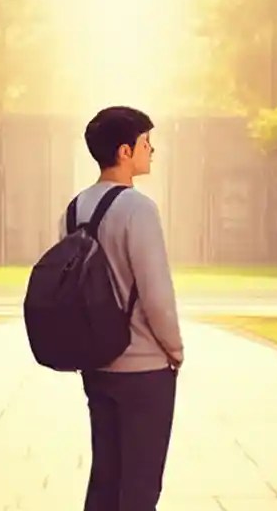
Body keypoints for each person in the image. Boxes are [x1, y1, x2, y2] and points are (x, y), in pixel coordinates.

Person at [63, 106, 184, 511]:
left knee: (105, 481)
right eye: (147, 142)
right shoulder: (139, 209)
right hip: (144, 369)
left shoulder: (75, 208)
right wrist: (175, 349)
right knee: (141, 485)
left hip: (97, 363)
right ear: (124, 150)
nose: (153, 150)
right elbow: (156, 294)